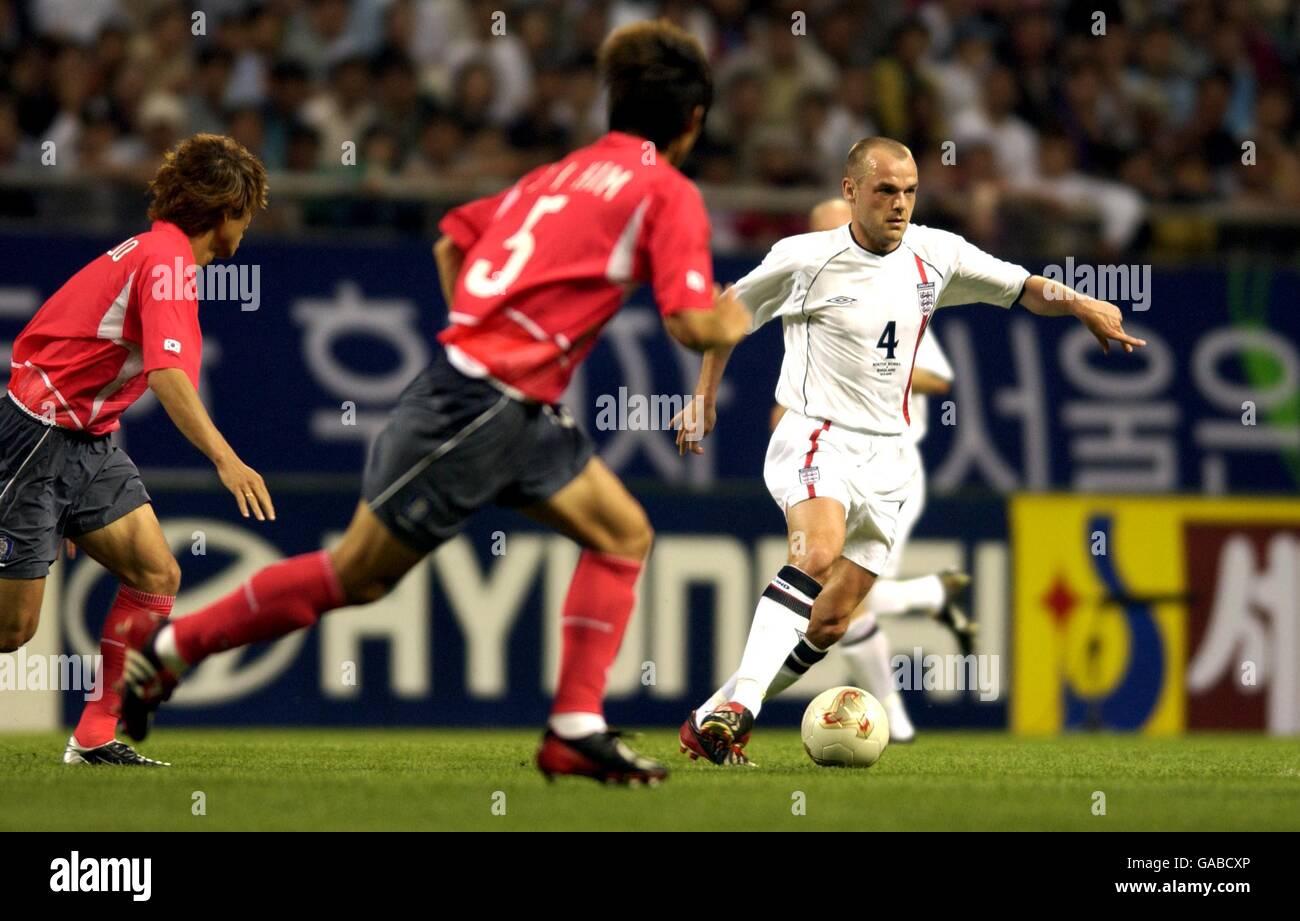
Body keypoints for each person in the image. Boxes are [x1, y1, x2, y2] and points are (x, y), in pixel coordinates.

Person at [117, 20, 751, 786]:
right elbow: (689, 323)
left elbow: (452, 239)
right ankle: (171, 650)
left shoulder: (559, 173)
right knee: (357, 575)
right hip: (478, 406)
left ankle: (574, 728)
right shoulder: (667, 191)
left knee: (622, 532)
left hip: (500, 400)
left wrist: (478, 335)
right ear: (693, 122)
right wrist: (734, 319)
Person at [675, 136, 1144, 765]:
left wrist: (1081, 301)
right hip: (817, 433)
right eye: (885, 191)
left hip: (889, 458)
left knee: (834, 620)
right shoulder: (806, 258)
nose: (900, 204)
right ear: (850, 192)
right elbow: (727, 314)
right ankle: (745, 707)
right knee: (817, 552)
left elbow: (1022, 287)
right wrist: (703, 398)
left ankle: (710, 719)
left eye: (909, 191)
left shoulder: (936, 253)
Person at [0, 134, 272, 766]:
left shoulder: (156, 253)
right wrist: (226, 459)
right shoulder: (169, 262)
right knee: (12, 632)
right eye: (248, 211)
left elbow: (75, 347)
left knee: (157, 575)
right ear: (225, 209)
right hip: (38, 437)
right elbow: (169, 377)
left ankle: (94, 738)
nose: (250, 226)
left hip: (83, 439)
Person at [752, 197, 975, 745]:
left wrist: (871, 368)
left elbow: (940, 379)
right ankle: (895, 707)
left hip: (889, 460)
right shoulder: (808, 284)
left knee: (846, 597)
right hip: (832, 451)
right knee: (831, 591)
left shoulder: (901, 286)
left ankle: (896, 701)